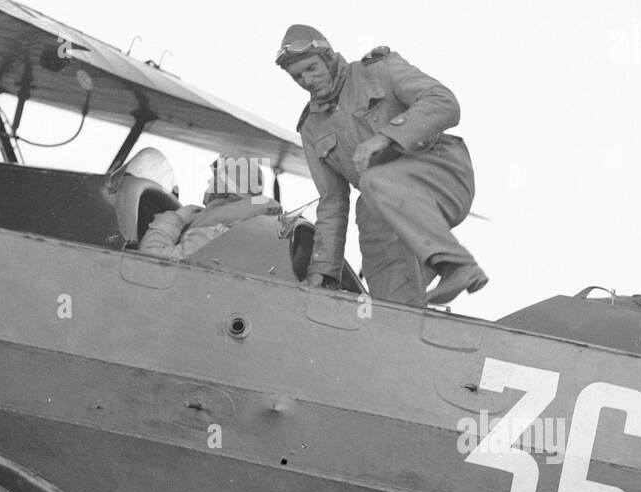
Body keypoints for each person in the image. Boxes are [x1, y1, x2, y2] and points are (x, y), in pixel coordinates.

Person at [275, 23, 487, 306]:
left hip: (442, 174)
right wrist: (323, 275)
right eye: (297, 76)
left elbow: (444, 102)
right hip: (384, 207)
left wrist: (386, 138)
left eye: (312, 68)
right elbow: (332, 203)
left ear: (328, 57)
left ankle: (457, 266)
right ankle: (405, 327)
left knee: (374, 181)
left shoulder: (378, 70)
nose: (307, 80)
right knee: (390, 301)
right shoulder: (311, 128)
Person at [139, 154, 281, 261]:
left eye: (215, 178)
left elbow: (149, 259)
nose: (209, 181)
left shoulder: (215, 228)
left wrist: (177, 219)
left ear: (225, 187)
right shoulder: (245, 222)